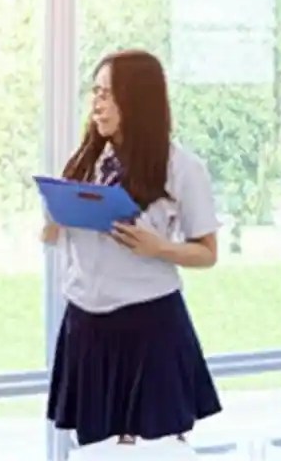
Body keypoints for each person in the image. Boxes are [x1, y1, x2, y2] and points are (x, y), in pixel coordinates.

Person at [43, 49, 221, 446]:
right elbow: (56, 236)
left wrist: (158, 247)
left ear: (136, 100)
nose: (97, 104)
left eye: (107, 94)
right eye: (95, 93)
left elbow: (207, 252)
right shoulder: (86, 162)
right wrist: (54, 221)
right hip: (86, 320)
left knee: (157, 445)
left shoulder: (181, 167)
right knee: (96, 446)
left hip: (148, 321)